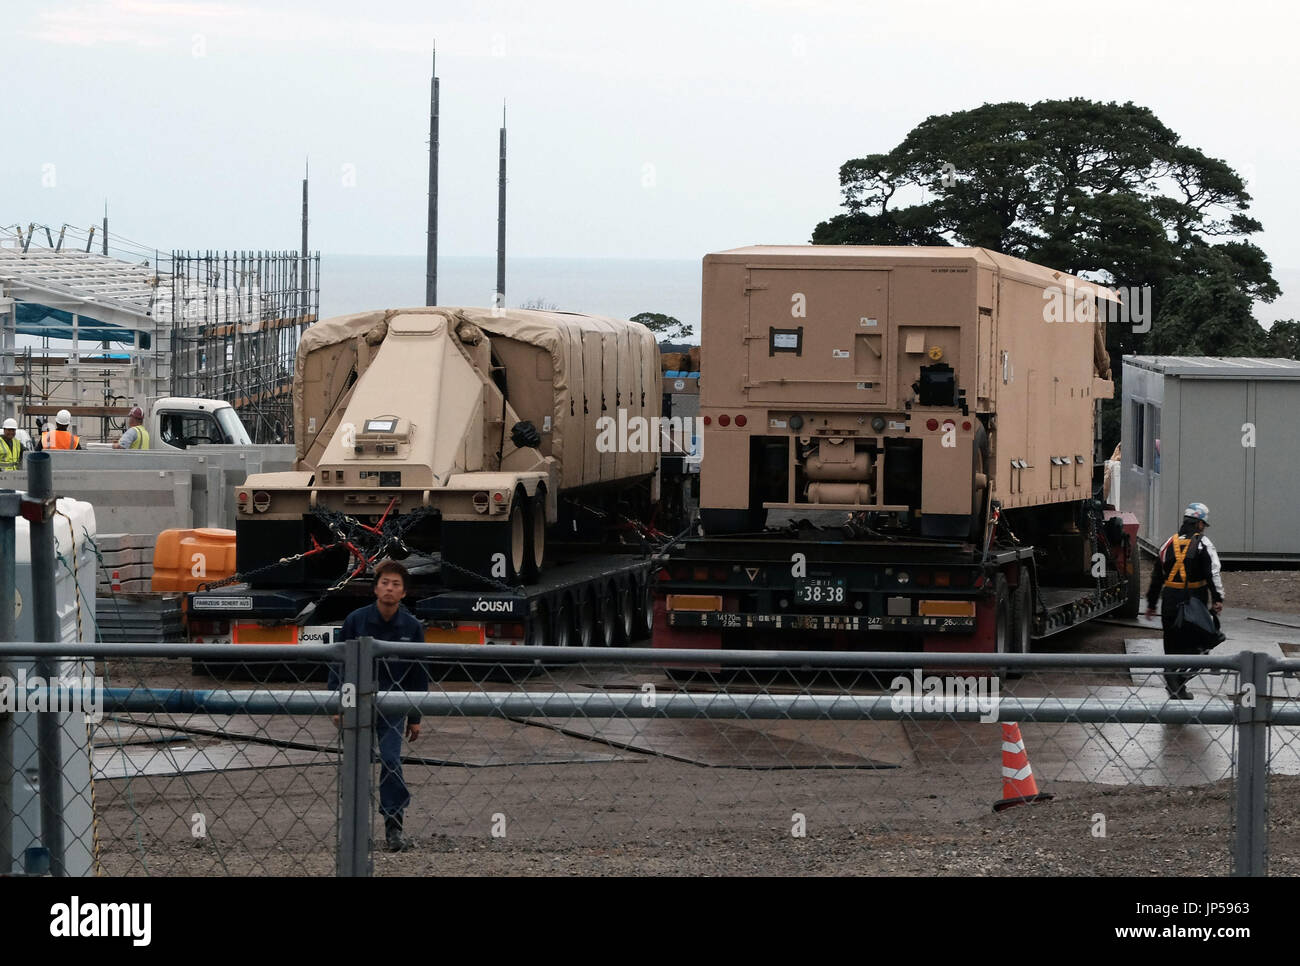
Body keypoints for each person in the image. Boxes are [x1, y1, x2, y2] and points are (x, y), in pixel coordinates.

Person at [329, 560, 430, 852]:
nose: (389, 588)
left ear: (404, 593)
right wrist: (337, 702)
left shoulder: (412, 627)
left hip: (393, 706)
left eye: (396, 584)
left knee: (390, 761)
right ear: (375, 588)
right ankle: (353, 832)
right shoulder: (356, 621)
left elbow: (417, 673)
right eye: (384, 582)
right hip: (356, 703)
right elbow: (338, 664)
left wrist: (415, 715)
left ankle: (393, 826)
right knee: (355, 766)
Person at [1144, 502, 1225, 699]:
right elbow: (1213, 572)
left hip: (1170, 602)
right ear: (1199, 524)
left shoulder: (1167, 544)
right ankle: (1177, 681)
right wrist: (1217, 598)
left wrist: (1152, 604)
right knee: (1203, 644)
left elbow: (1156, 578)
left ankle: (1175, 687)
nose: (1203, 529)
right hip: (1193, 602)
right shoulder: (1204, 544)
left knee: (1171, 647)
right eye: (1203, 525)